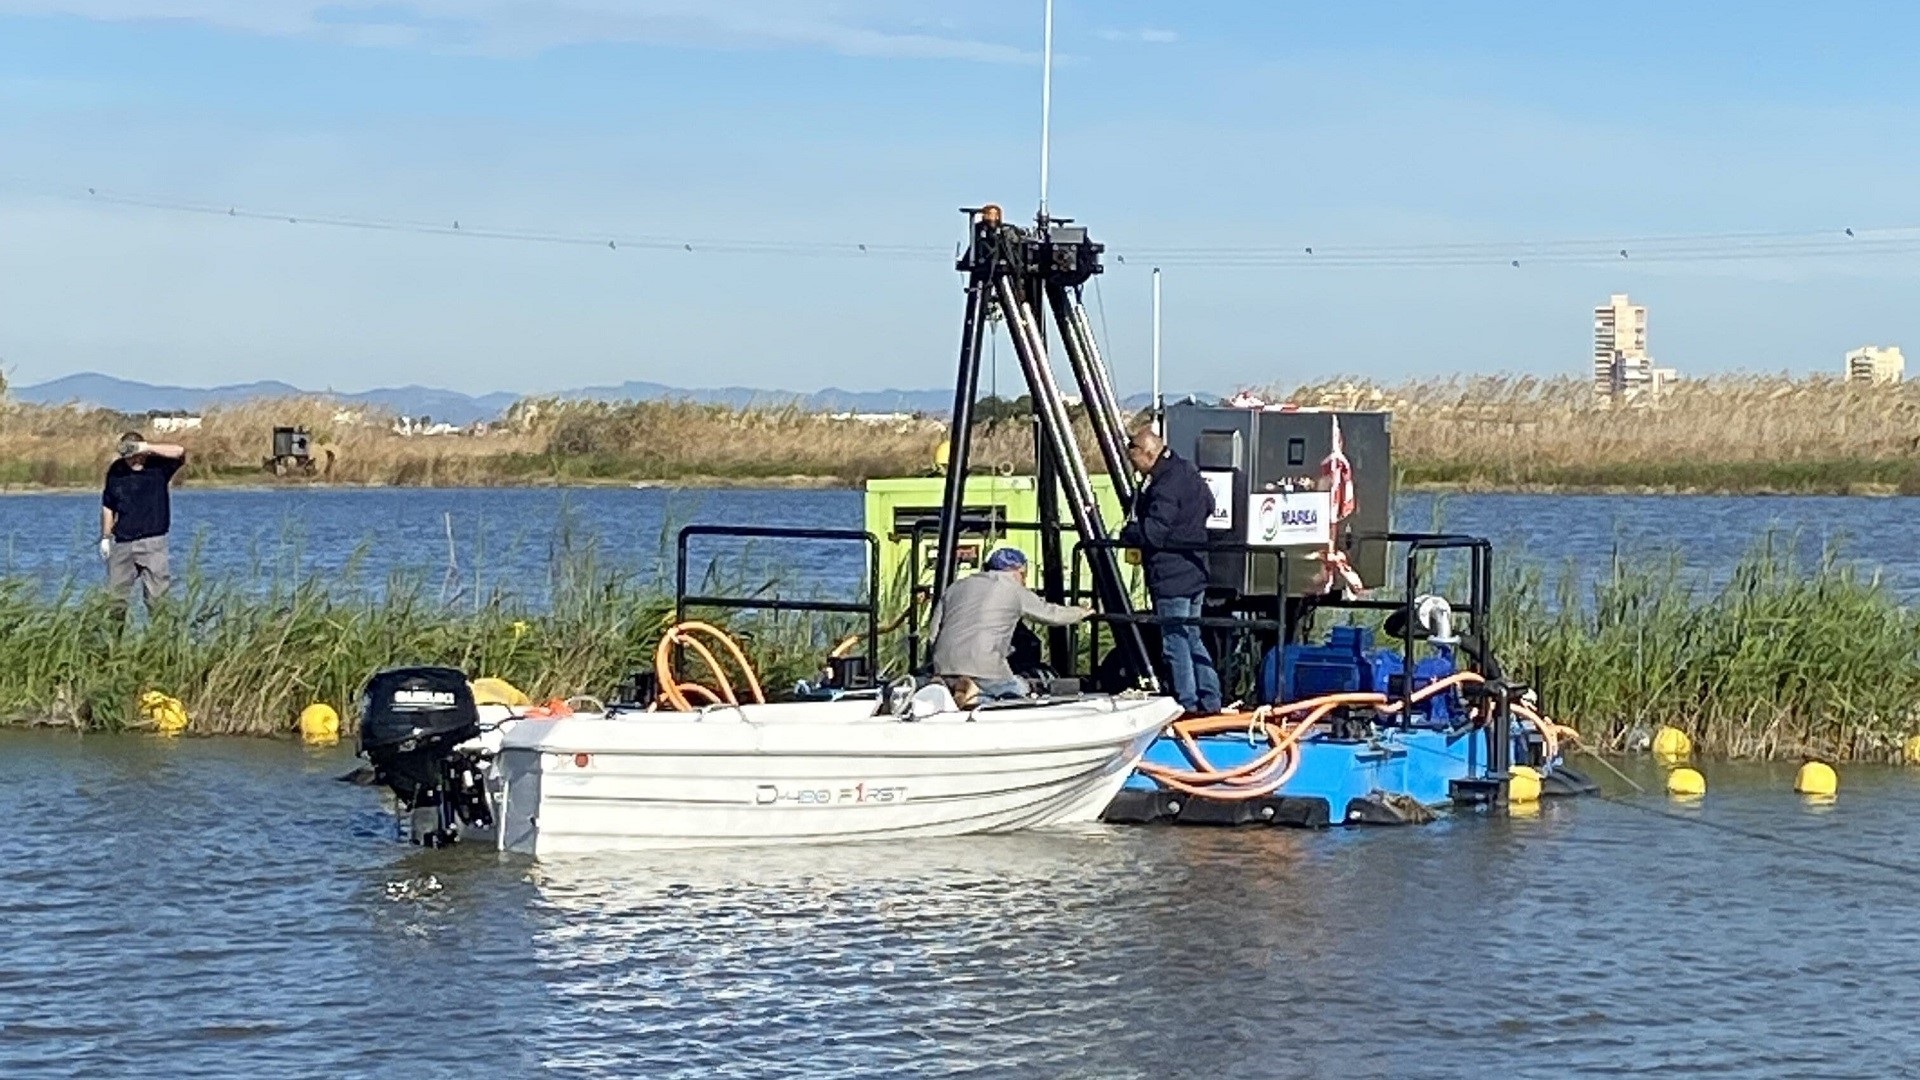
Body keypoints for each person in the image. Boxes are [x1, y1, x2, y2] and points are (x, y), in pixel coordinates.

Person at [1120, 428, 1223, 714]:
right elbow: (1210, 505)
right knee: (1192, 635)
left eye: (1134, 459)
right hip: (1196, 568)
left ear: (1148, 453)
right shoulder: (1187, 470)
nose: (1134, 466)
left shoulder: (1164, 485)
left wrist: (1130, 532)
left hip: (1171, 574)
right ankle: (1211, 697)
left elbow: (1155, 532)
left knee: (1175, 639)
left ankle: (1186, 702)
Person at [927, 547, 1091, 702]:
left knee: (967, 685)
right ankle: (976, 698)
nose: (1024, 581)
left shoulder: (955, 587)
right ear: (1018, 571)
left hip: (944, 669)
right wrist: (1081, 612)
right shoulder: (1012, 588)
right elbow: (1051, 614)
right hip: (986, 669)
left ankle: (959, 692)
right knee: (1022, 689)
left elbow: (933, 635)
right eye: (1023, 574)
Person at [101, 431, 188, 608]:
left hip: (153, 544)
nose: (135, 460)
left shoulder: (159, 466)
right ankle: (114, 635)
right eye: (130, 457)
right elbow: (108, 505)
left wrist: (146, 447)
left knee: (157, 601)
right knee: (115, 602)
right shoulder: (116, 471)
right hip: (123, 544)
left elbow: (180, 451)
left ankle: (159, 635)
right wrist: (105, 537)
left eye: (138, 455)